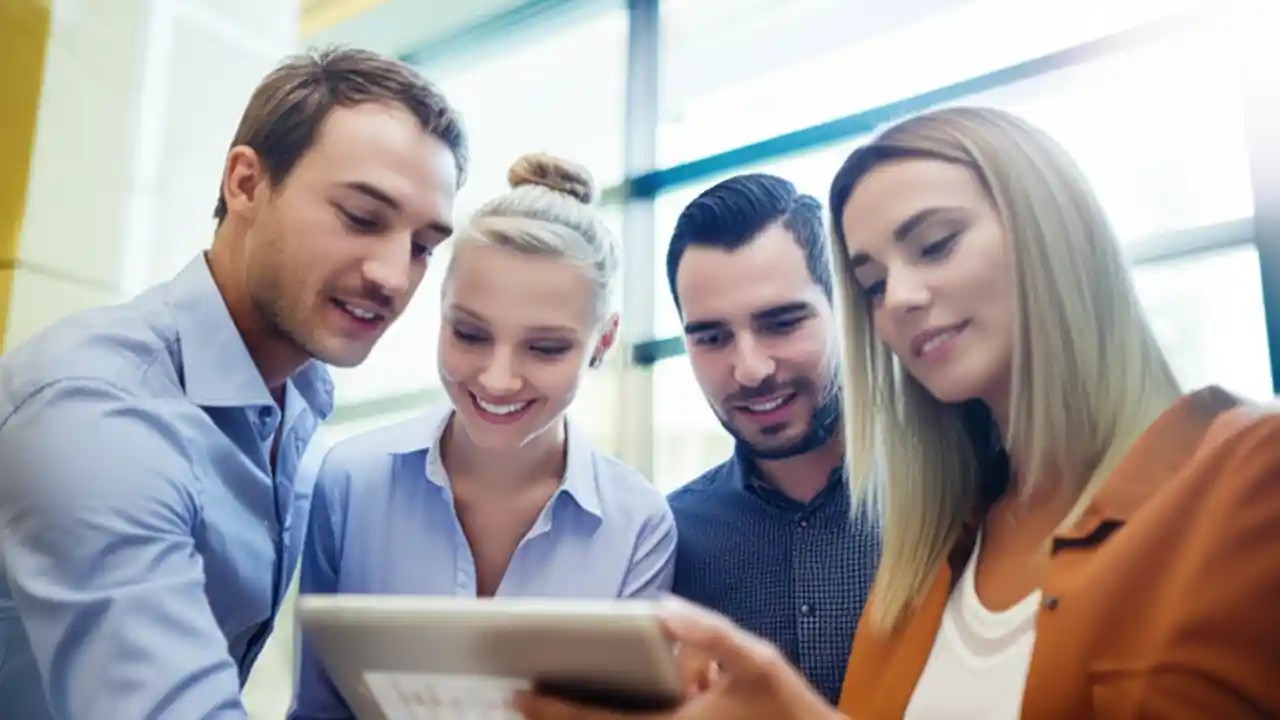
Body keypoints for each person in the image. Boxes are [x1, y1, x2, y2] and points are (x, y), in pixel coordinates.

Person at [513, 106, 1280, 720]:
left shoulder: (1247, 476)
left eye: (937, 245)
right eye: (873, 282)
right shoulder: (936, 544)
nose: (903, 298)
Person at [0, 47, 466, 719]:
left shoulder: (296, 403)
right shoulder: (97, 407)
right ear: (245, 183)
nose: (394, 277)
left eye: (423, 245)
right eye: (362, 218)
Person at [289, 153, 678, 718]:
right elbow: (318, 711)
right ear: (441, 314)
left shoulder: (638, 525)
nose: (498, 379)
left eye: (545, 348)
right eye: (470, 334)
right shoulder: (351, 482)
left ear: (603, 342)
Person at [661, 173, 880, 704]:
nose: (751, 369)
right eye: (712, 338)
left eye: (782, 323)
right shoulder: (667, 541)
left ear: (844, 313)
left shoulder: (961, 498)